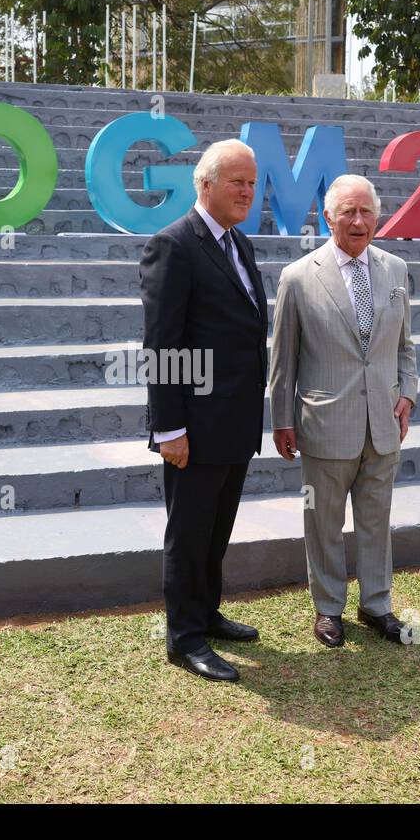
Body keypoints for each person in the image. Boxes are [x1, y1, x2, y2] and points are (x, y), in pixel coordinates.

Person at [267, 174, 418, 649]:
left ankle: (377, 605)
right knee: (324, 522)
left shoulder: (396, 270)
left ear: (378, 216)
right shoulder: (298, 277)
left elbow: (405, 346)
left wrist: (407, 394)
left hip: (384, 426)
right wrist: (282, 420)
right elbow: (282, 358)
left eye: (366, 211)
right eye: (348, 212)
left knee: (377, 520)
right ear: (327, 217)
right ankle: (328, 608)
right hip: (324, 424)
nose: (358, 221)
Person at [139, 139, 269, 682]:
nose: (246, 191)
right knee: (188, 534)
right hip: (191, 427)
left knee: (217, 530)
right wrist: (169, 428)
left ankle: (207, 613)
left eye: (252, 182)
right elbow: (163, 344)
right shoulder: (174, 246)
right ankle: (184, 638)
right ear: (205, 184)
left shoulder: (239, 245)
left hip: (234, 423)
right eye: (236, 181)